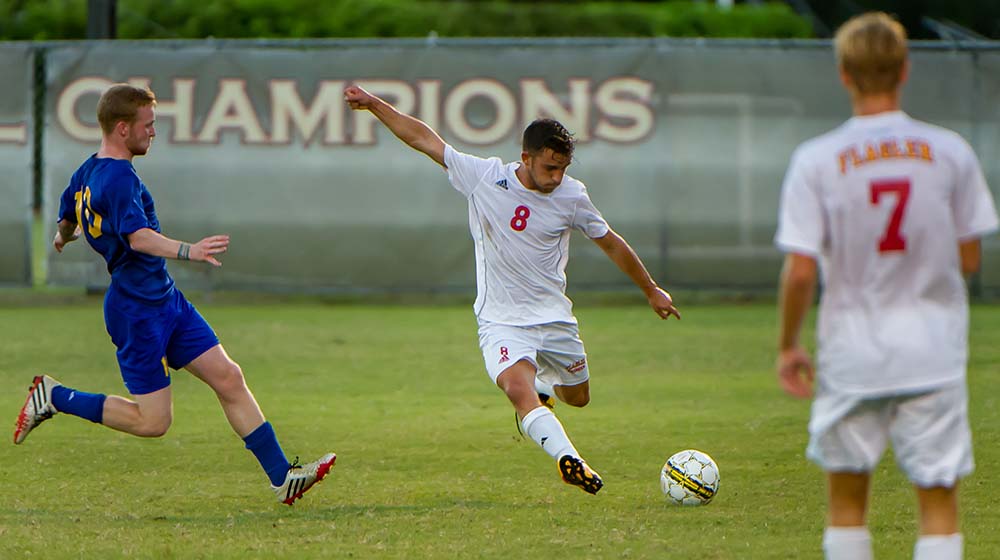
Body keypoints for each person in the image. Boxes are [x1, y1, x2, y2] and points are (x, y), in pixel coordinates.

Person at [344, 85, 680, 495]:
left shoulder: (572, 196)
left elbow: (609, 242)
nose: (556, 177)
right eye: (550, 168)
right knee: (517, 390)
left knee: (579, 398)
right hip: (501, 320)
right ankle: (568, 459)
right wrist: (374, 104)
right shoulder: (485, 178)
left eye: (562, 169)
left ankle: (545, 388)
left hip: (554, 317)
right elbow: (423, 139)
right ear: (526, 158)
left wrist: (651, 290)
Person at [13, 84, 335, 505]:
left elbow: (69, 211)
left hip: (165, 300)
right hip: (136, 311)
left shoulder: (89, 169)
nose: (153, 132)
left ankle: (283, 477)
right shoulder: (118, 177)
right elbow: (139, 237)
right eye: (147, 125)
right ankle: (54, 397)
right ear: (123, 128)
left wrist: (62, 237)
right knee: (153, 423)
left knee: (228, 376)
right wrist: (190, 250)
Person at [775, 12, 998, 560]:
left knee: (848, 500)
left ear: (844, 74)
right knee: (938, 501)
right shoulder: (950, 150)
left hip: (852, 350)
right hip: (932, 349)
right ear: (905, 69)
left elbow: (801, 270)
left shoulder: (816, 159)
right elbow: (969, 257)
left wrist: (788, 345)